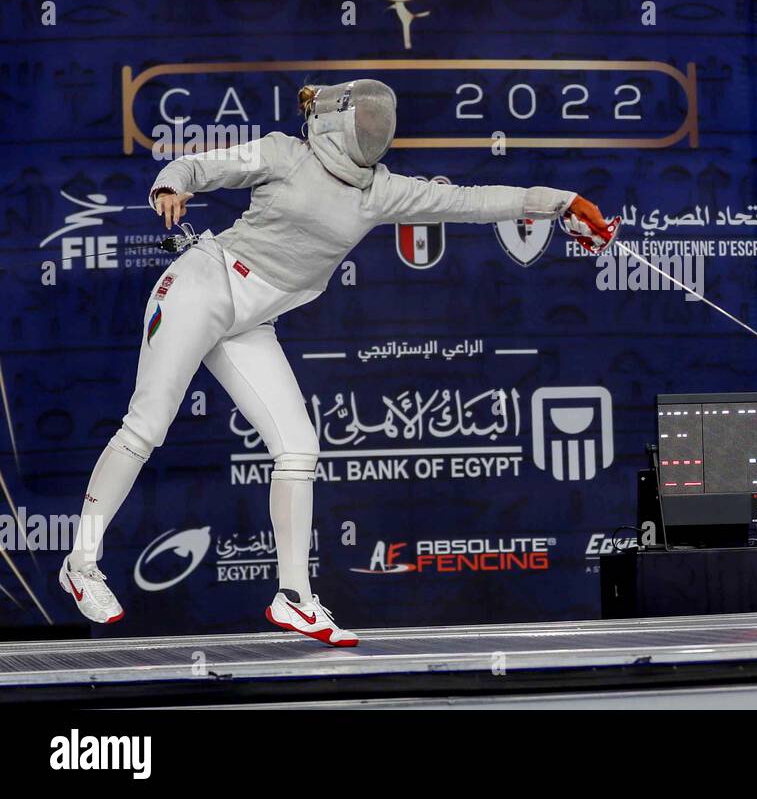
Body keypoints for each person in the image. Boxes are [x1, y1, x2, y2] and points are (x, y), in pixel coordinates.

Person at [61, 79, 611, 646]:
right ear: (337, 121)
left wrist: (561, 202)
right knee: (146, 426)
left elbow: (469, 202)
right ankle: (80, 563)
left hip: (250, 322)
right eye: (367, 121)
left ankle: (293, 596)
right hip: (201, 285)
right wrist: (170, 185)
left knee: (298, 447)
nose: (375, 132)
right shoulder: (283, 153)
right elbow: (199, 166)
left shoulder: (380, 191)